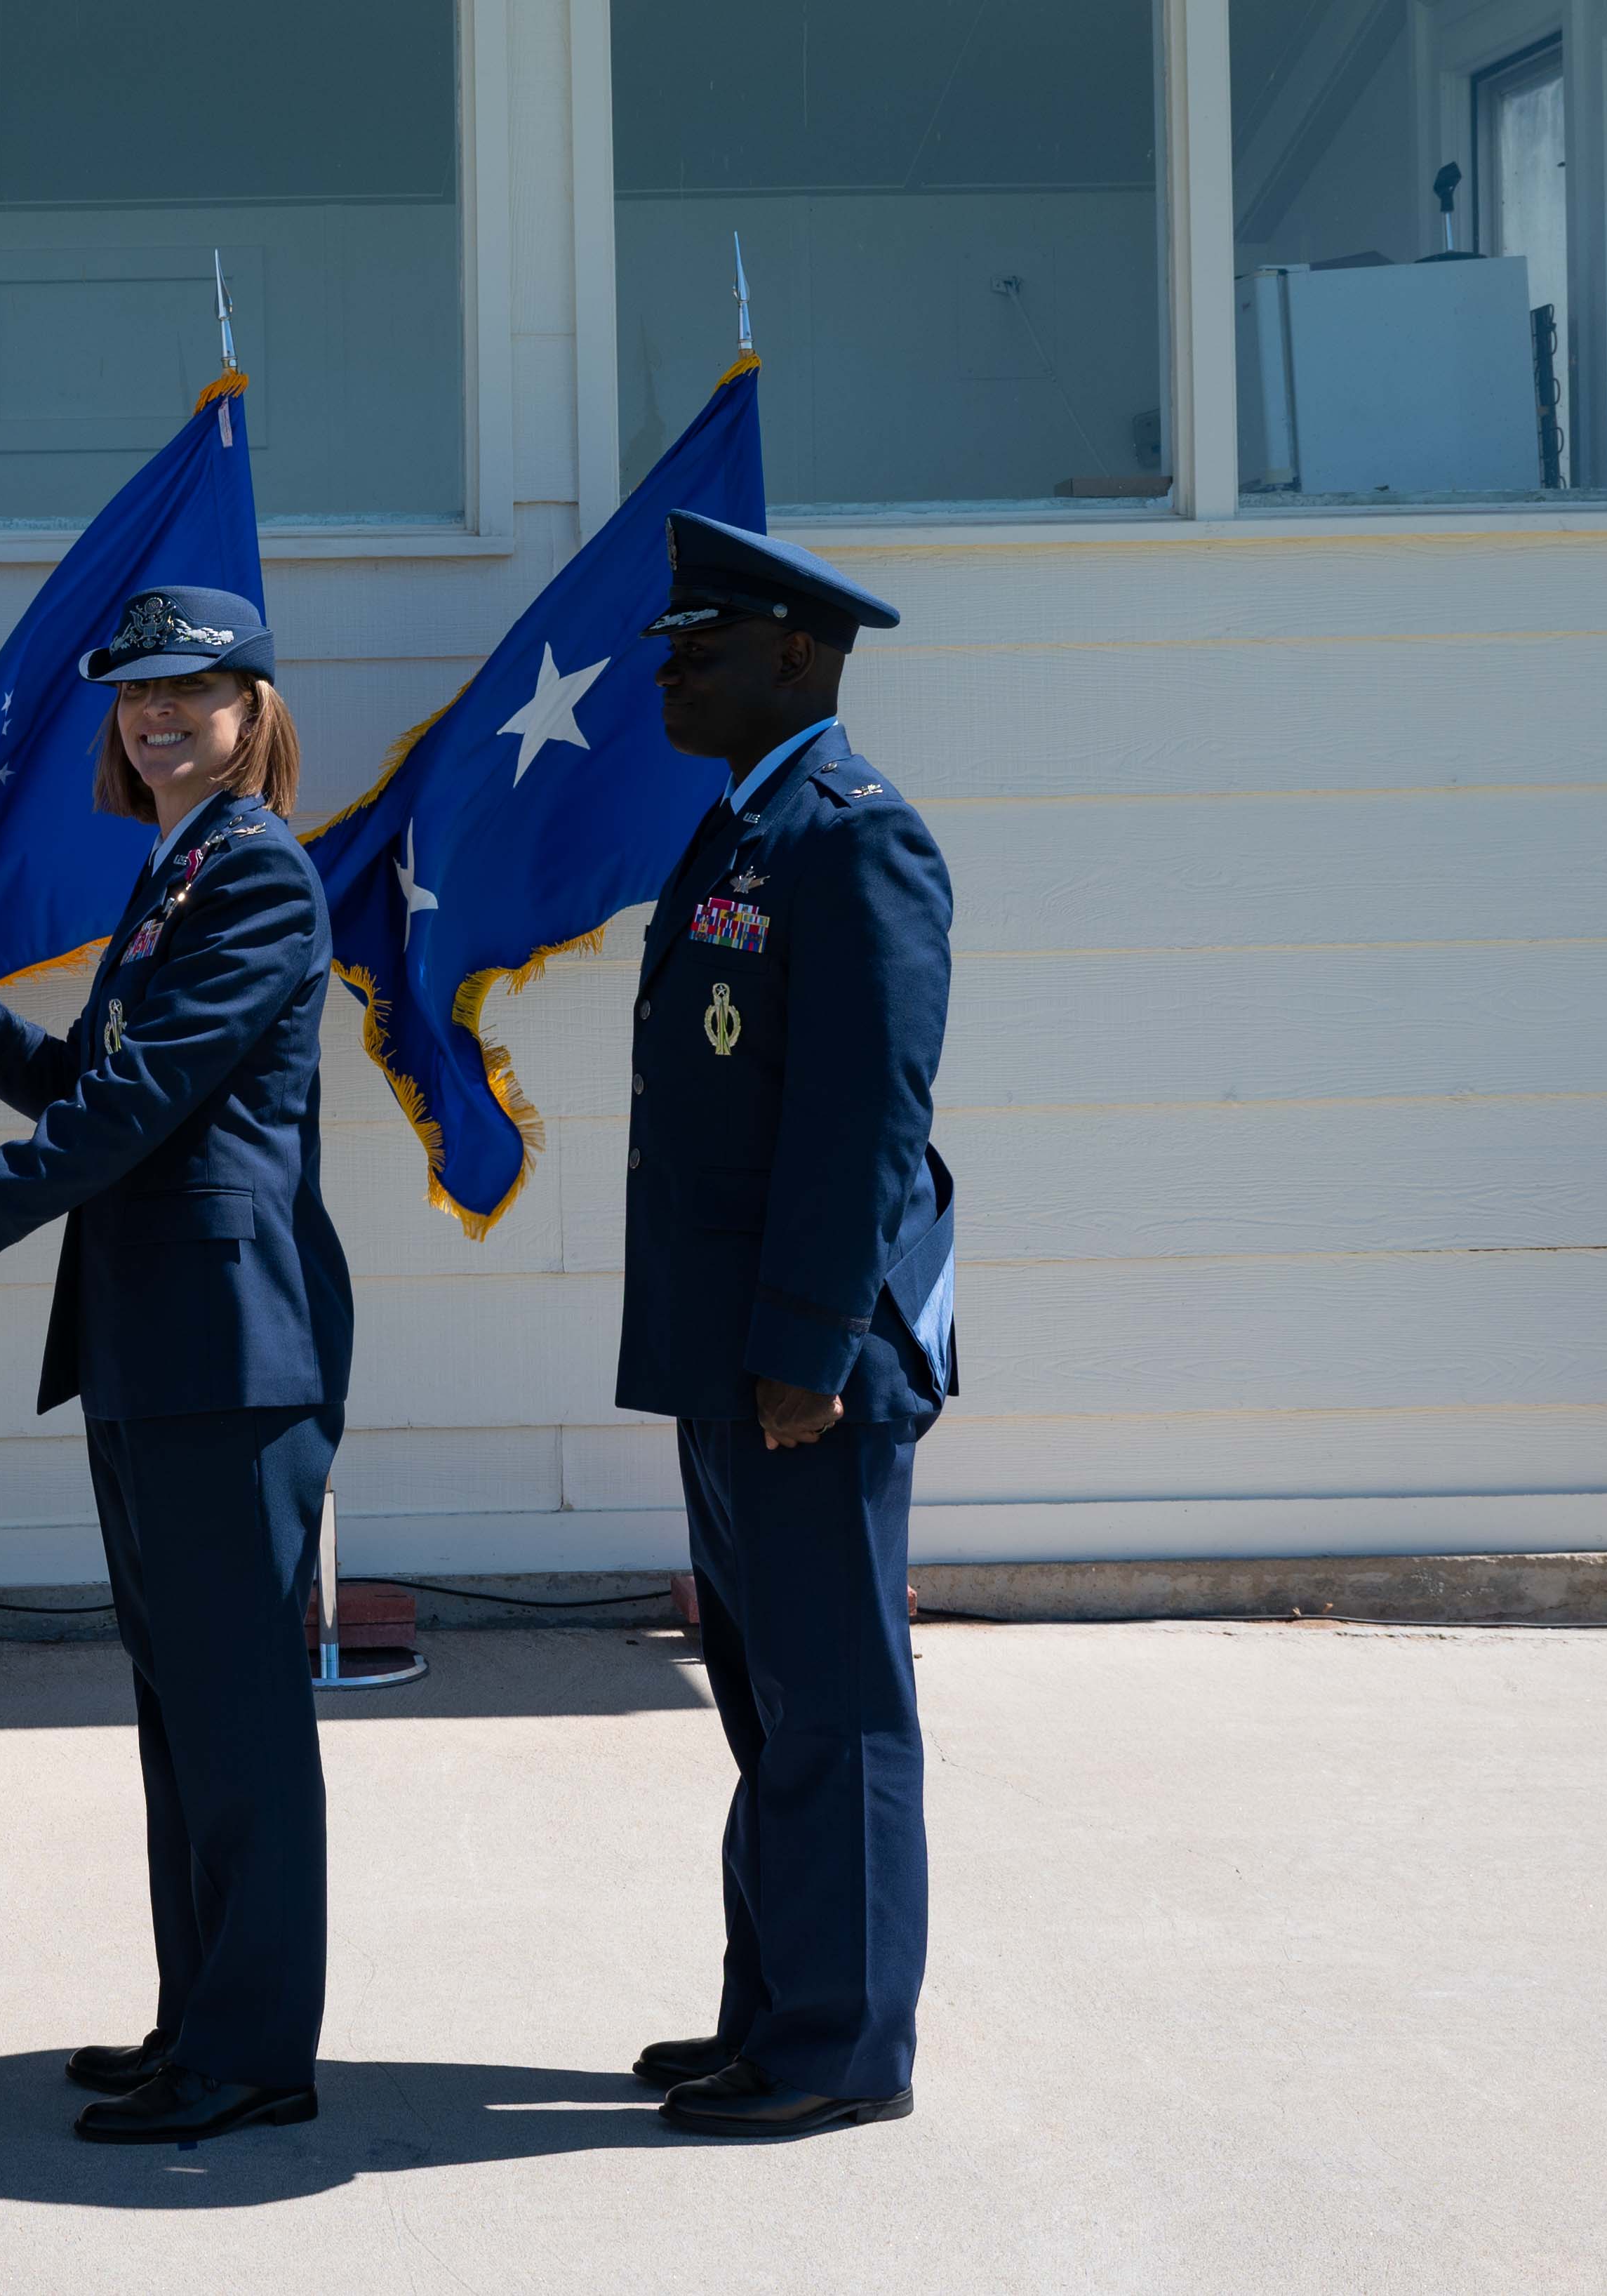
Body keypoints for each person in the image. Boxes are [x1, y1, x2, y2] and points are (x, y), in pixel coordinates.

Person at [0, 584, 352, 2146]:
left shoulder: (254, 874)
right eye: (134, 696)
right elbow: (90, 1075)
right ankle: (198, 2017)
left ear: (250, 712)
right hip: (161, 1343)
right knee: (184, 1705)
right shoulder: (177, 870)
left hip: (225, 1348)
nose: (153, 717)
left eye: (190, 694)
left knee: (238, 1715)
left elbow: (125, 1114)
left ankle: (253, 2049)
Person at [620, 510, 958, 2139]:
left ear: (796, 656)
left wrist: (807, 1351)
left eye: (701, 648)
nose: (672, 673)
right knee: (766, 1706)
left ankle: (840, 2049)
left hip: (804, 1369)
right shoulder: (741, 829)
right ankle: (771, 2012)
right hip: (735, 1353)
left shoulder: (851, 836)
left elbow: (863, 1121)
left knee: (835, 1708)